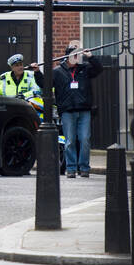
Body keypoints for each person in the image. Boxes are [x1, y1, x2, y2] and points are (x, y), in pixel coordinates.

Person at [52, 44, 104, 179]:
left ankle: (84, 167)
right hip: (67, 111)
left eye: (78, 55)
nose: (77, 57)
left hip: (84, 110)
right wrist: (36, 72)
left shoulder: (85, 69)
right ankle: (71, 168)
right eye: (74, 55)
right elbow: (44, 83)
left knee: (85, 139)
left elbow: (99, 69)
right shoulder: (57, 72)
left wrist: (91, 57)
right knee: (69, 141)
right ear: (68, 56)